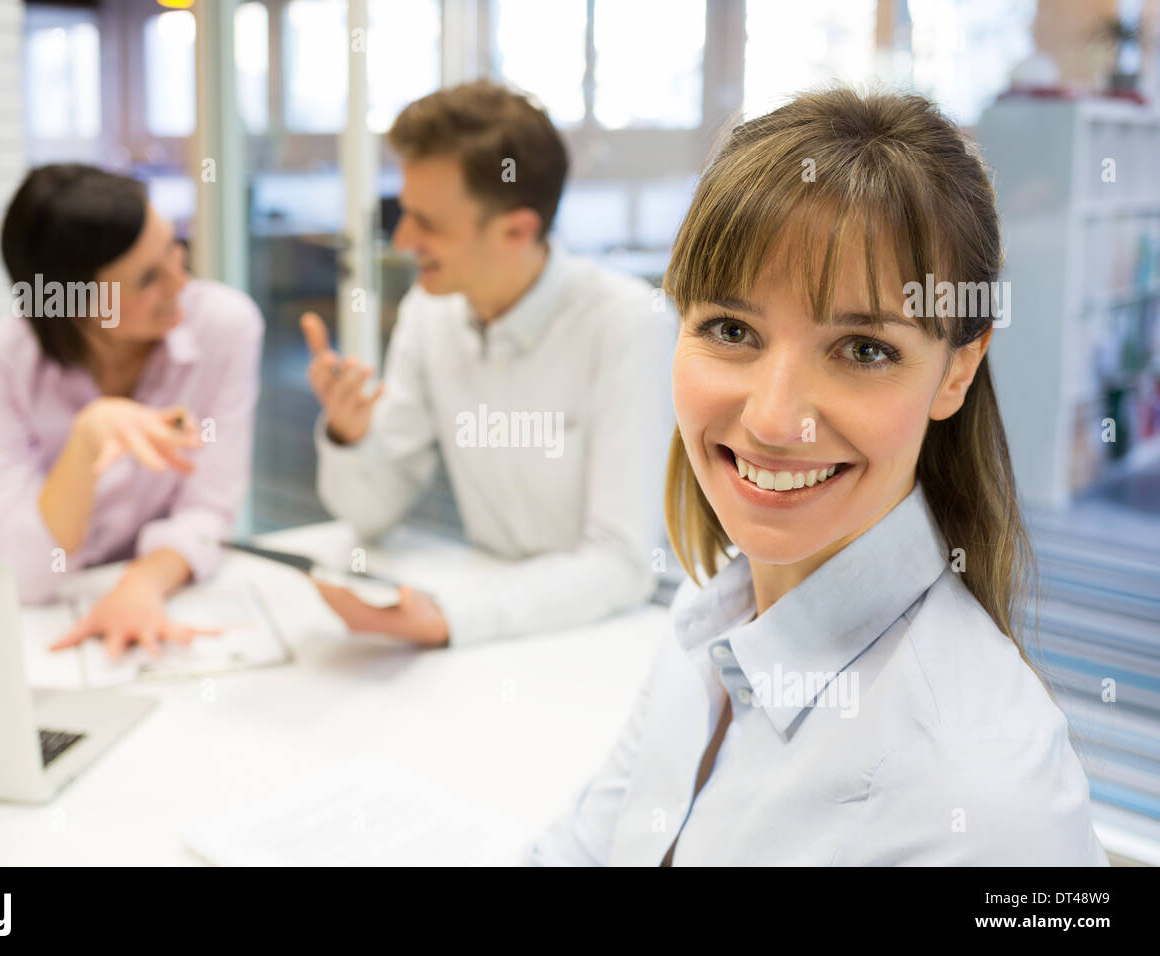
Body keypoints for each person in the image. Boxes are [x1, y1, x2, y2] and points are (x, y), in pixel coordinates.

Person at [526, 88, 1109, 865]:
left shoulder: (983, 798)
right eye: (731, 330)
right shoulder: (713, 615)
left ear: (956, 371)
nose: (773, 420)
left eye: (864, 349)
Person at [301, 81, 675, 648]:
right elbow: (373, 514)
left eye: (428, 223)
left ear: (516, 230)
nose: (403, 239)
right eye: (405, 213)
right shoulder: (431, 313)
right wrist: (349, 436)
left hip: (629, 630)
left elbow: (623, 563)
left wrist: (450, 617)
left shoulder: (628, 323)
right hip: (503, 625)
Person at [0, 164, 264, 660]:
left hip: (146, 599)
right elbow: (27, 574)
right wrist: (87, 439)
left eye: (176, 249)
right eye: (148, 278)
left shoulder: (224, 325)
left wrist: (143, 581)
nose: (181, 281)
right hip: (8, 616)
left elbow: (210, 505)